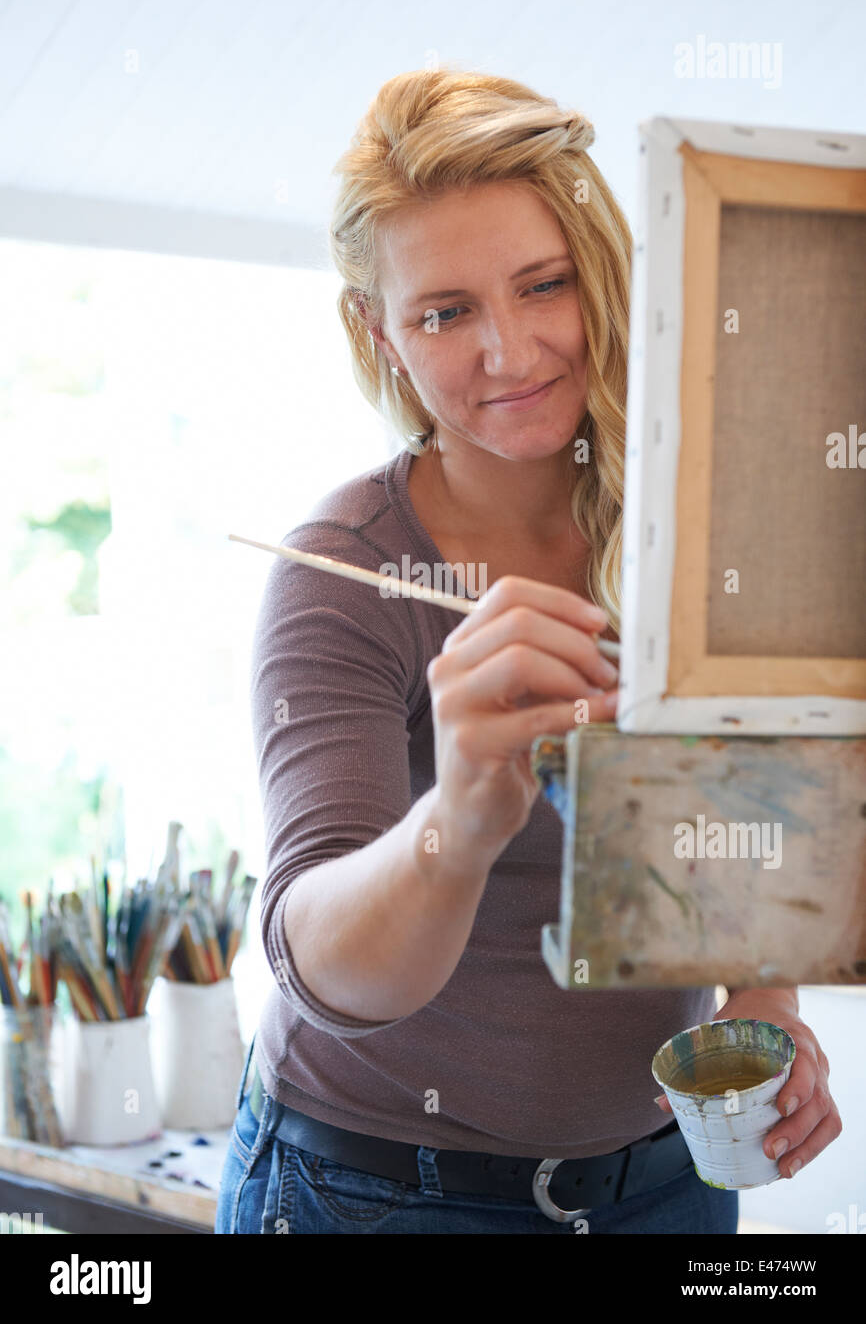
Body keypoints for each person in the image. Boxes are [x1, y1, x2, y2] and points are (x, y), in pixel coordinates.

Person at [216, 68, 840, 1234]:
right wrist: (461, 807)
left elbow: (743, 839)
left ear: (597, 275)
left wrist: (769, 1006)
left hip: (661, 1184)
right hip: (374, 1189)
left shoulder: (699, 530)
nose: (507, 351)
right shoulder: (342, 574)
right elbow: (323, 968)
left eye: (543, 284)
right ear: (377, 330)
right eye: (443, 312)